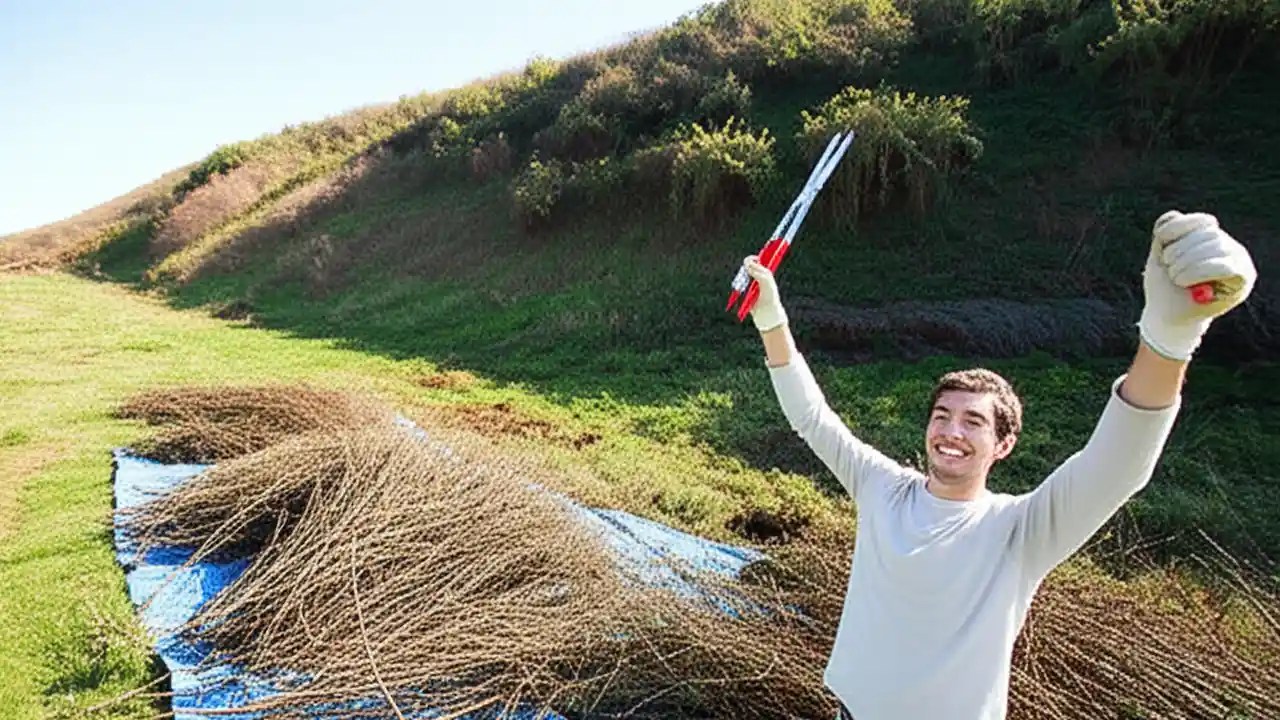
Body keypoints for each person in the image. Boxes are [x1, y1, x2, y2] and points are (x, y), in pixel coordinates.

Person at [739, 210, 1258, 720]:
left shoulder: (1021, 530)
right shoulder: (882, 488)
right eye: (942, 416)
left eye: (973, 422)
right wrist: (772, 318)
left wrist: (1168, 340)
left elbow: (1116, 466)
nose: (951, 432)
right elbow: (812, 417)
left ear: (1004, 444)